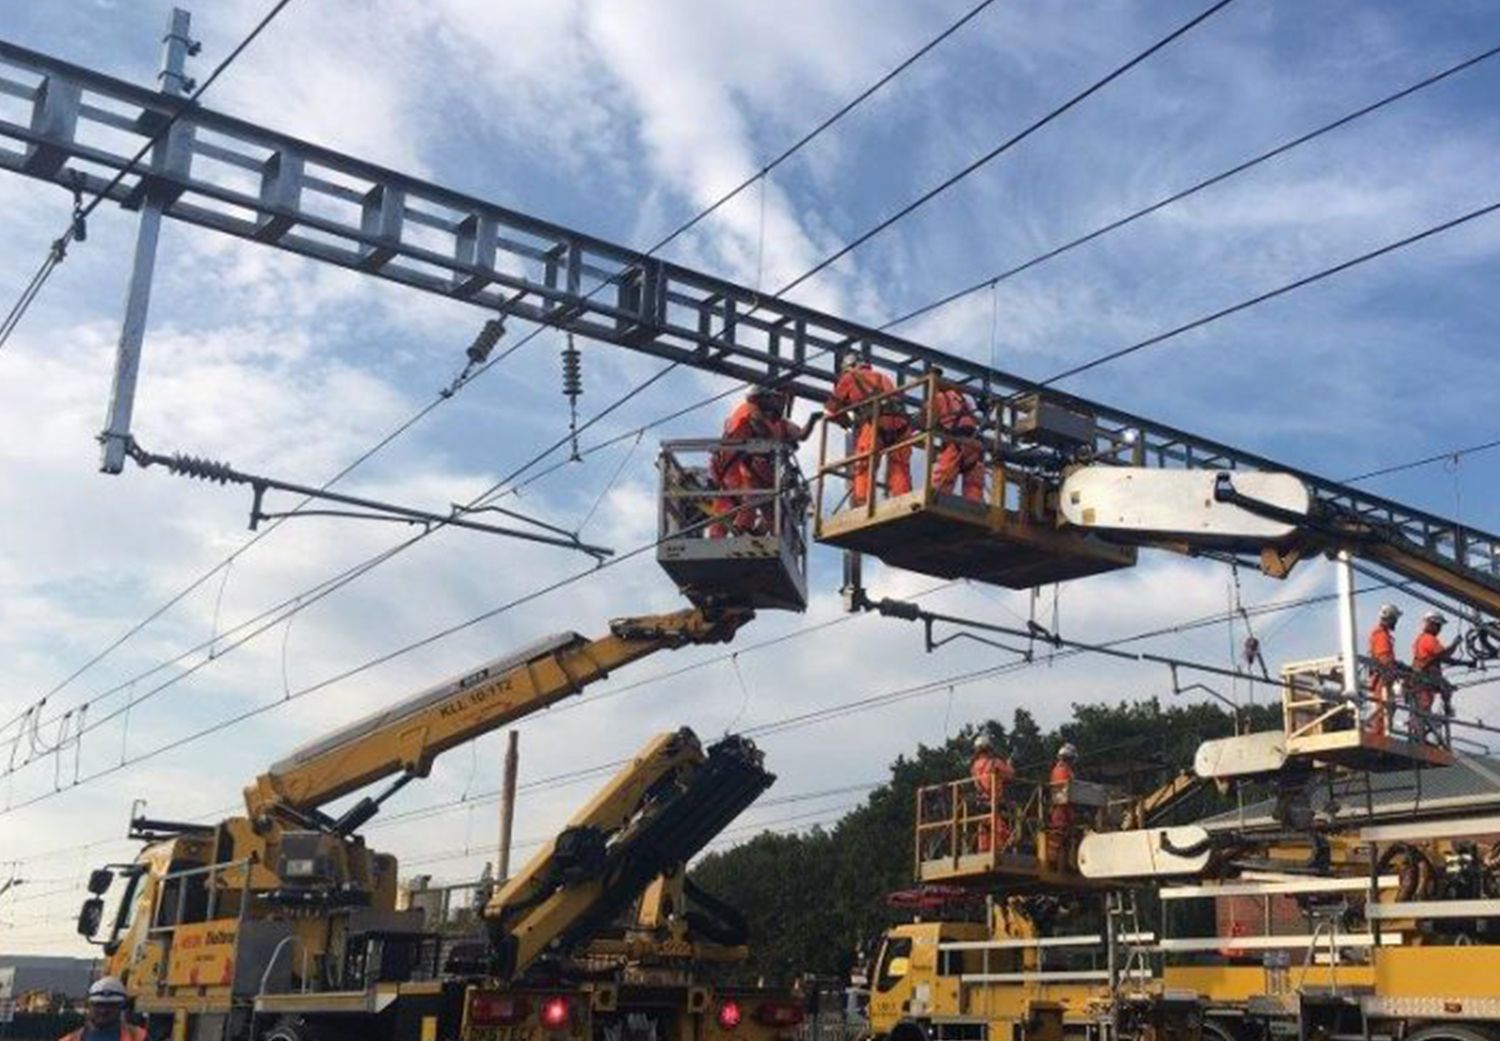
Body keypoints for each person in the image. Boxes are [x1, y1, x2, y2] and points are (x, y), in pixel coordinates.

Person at [708, 384, 815, 537]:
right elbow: (760, 429)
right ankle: (735, 532)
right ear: (762, 399)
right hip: (737, 465)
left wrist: (813, 419)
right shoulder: (750, 409)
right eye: (774, 399)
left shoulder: (779, 423)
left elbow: (800, 435)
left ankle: (757, 533)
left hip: (752, 467)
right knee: (741, 501)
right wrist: (782, 444)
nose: (777, 404)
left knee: (767, 505)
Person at [825, 357, 911, 507]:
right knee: (899, 467)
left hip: (874, 423)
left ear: (848, 367)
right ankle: (902, 501)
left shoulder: (849, 377)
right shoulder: (883, 377)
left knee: (864, 466)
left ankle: (862, 506)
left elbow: (830, 410)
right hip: (900, 425)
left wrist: (844, 421)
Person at [1411, 611, 1462, 746]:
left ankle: (1421, 736)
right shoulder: (1428, 639)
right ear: (1431, 624)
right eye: (1438, 626)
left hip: (1425, 679)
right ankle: (1419, 738)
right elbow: (1444, 656)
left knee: (1425, 707)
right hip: (1425, 679)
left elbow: (1443, 657)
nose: (1439, 629)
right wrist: (1455, 644)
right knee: (1424, 707)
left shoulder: (1422, 639)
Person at [930, 384, 984, 502]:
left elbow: (926, 421)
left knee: (944, 477)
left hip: (957, 440)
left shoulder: (939, 397)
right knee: (973, 483)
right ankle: (973, 508)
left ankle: (938, 501)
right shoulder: (962, 400)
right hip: (975, 442)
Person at [968, 734, 1015, 852]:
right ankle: (1000, 850)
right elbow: (1010, 775)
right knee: (999, 828)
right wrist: (1009, 764)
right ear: (989, 748)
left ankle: (983, 849)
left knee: (984, 827)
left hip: (982, 801)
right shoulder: (995, 763)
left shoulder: (974, 766)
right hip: (995, 801)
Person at [60, 977, 145, 1041]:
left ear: (122, 1006)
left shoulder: (140, 1037)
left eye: (110, 1005)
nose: (103, 1010)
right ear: (89, 1005)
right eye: (98, 1005)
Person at [1366, 604, 1403, 738]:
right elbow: (1384, 658)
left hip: (1384, 676)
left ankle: (1381, 733)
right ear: (1390, 618)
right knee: (1383, 706)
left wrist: (1398, 665)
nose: (1396, 622)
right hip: (1383, 677)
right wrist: (1393, 671)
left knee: (1386, 706)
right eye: (1395, 619)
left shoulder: (1382, 634)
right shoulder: (1381, 635)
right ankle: (1379, 734)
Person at [1047, 743, 1078, 871]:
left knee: (1064, 835)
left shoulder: (1057, 769)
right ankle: (1055, 862)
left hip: (1060, 806)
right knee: (1059, 834)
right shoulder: (1064, 770)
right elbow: (1068, 791)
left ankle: (1063, 862)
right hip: (1062, 807)